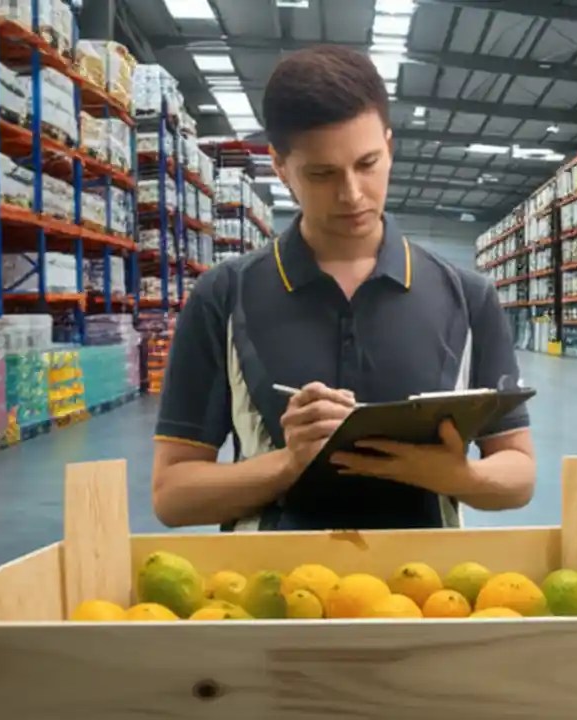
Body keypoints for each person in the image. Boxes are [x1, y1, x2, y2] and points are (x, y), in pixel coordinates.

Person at [150, 46, 536, 531]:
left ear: (390, 149)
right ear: (281, 167)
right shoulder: (223, 296)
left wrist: (456, 475)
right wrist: (289, 463)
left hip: (426, 597)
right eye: (322, 173)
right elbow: (172, 496)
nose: (352, 193)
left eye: (368, 163)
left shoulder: (467, 296)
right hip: (270, 596)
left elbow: (518, 473)